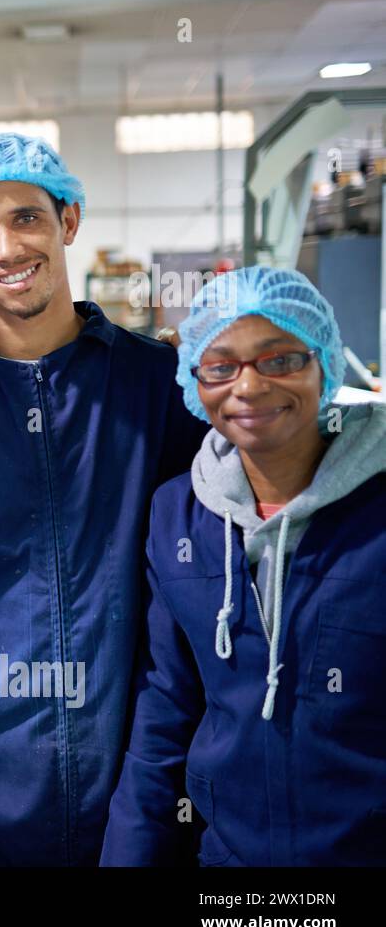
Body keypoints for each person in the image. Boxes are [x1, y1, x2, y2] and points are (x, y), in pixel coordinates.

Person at [0, 133, 207, 866]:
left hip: (141, 791)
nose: (6, 248)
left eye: (27, 218)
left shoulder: (163, 392)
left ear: (69, 222)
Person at [101, 267, 386, 866]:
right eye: (221, 365)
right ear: (194, 380)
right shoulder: (179, 515)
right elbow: (164, 714)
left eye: (280, 359)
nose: (249, 387)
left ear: (324, 364)